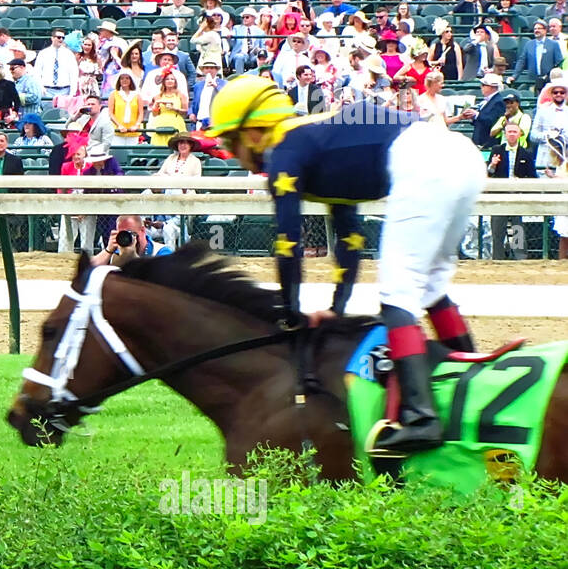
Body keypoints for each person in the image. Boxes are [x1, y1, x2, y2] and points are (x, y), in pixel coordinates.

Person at [207, 75, 488, 459]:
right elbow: (350, 242)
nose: (231, 154)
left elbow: (288, 243)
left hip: (424, 161)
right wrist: (336, 311)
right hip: (462, 157)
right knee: (432, 285)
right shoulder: (316, 141)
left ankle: (421, 420)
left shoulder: (285, 153)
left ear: (254, 134)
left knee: (397, 291)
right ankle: (476, 380)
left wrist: (290, 314)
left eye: (229, 142)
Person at [487, 121, 538, 260]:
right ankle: (497, 258)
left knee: (518, 228)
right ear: (505, 133)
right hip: (499, 195)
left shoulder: (526, 153)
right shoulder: (497, 150)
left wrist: (521, 183)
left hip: (518, 195)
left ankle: (520, 257)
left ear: (520, 134)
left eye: (514, 132)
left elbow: (533, 176)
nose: (512, 134)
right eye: (509, 131)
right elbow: (489, 172)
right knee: (497, 228)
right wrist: (493, 164)